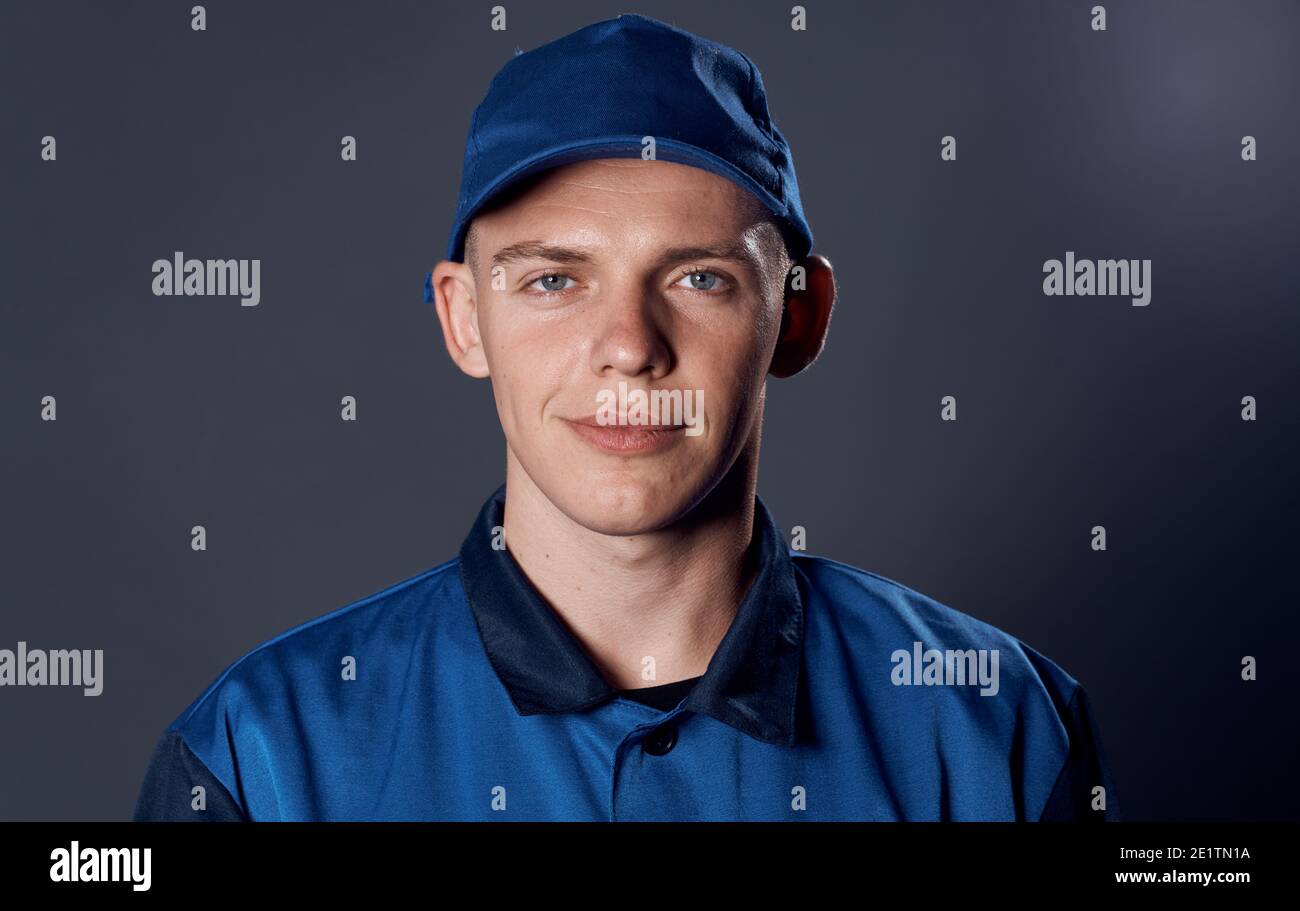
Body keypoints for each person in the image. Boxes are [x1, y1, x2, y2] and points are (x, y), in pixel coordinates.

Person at [133, 12, 1119, 821]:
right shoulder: (256, 754)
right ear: (464, 318)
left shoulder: (995, 725)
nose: (627, 343)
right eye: (555, 278)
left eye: (697, 276)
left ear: (799, 317)